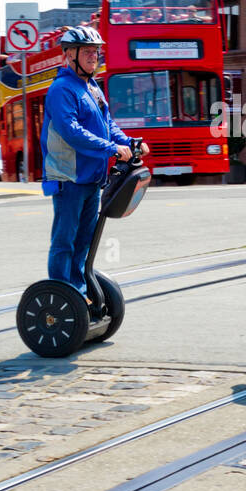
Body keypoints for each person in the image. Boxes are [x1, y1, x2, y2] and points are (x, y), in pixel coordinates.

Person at [41, 26, 147, 297]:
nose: (93, 56)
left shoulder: (92, 87)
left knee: (84, 242)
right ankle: (62, 295)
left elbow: (107, 124)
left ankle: (78, 291)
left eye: (96, 51)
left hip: (91, 179)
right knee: (65, 241)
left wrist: (130, 143)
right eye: (87, 51)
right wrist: (112, 148)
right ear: (69, 55)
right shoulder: (61, 89)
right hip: (68, 178)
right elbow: (72, 132)